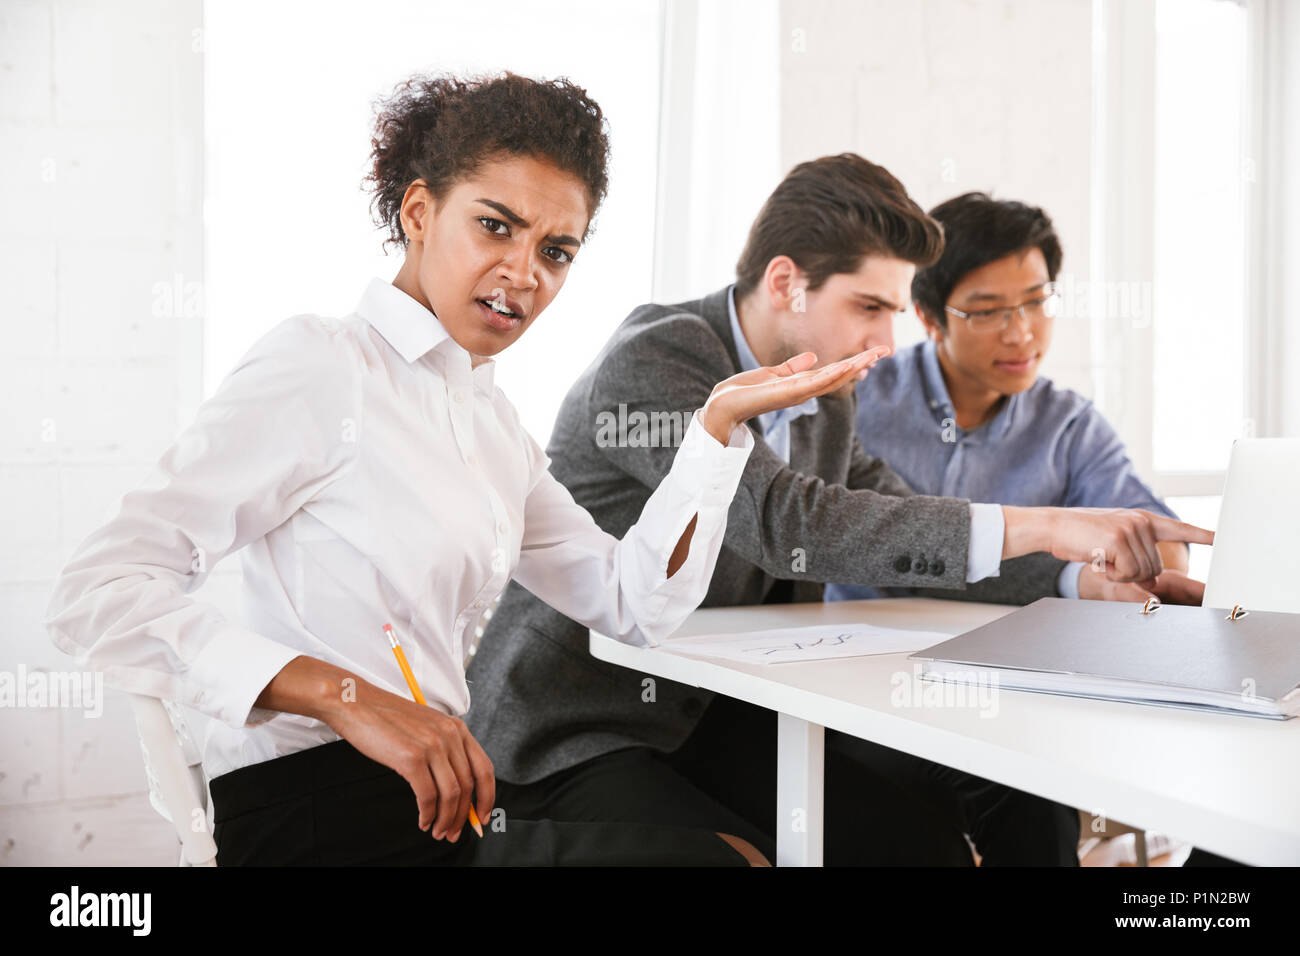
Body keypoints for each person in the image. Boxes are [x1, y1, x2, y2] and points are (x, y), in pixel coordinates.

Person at [42, 72, 881, 866]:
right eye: (495, 225)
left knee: (732, 853)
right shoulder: (322, 365)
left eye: (557, 250)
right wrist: (350, 699)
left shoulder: (488, 420)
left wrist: (715, 431)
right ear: (418, 211)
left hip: (438, 803)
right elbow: (97, 594)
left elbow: (632, 603)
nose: (524, 273)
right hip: (315, 810)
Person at [465, 153, 1214, 866]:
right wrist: (1051, 523)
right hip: (580, 728)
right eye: (869, 307)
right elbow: (788, 522)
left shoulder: (827, 389)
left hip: (719, 713)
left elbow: (898, 515)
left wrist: (1074, 579)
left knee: (930, 848)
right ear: (787, 281)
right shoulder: (661, 357)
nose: (885, 343)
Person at [826, 191, 1192, 606]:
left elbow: (1161, 543)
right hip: (850, 644)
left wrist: (1125, 573)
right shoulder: (859, 396)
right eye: (986, 312)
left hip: (1005, 650)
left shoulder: (1068, 425)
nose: (1020, 333)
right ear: (930, 318)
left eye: (1036, 302)